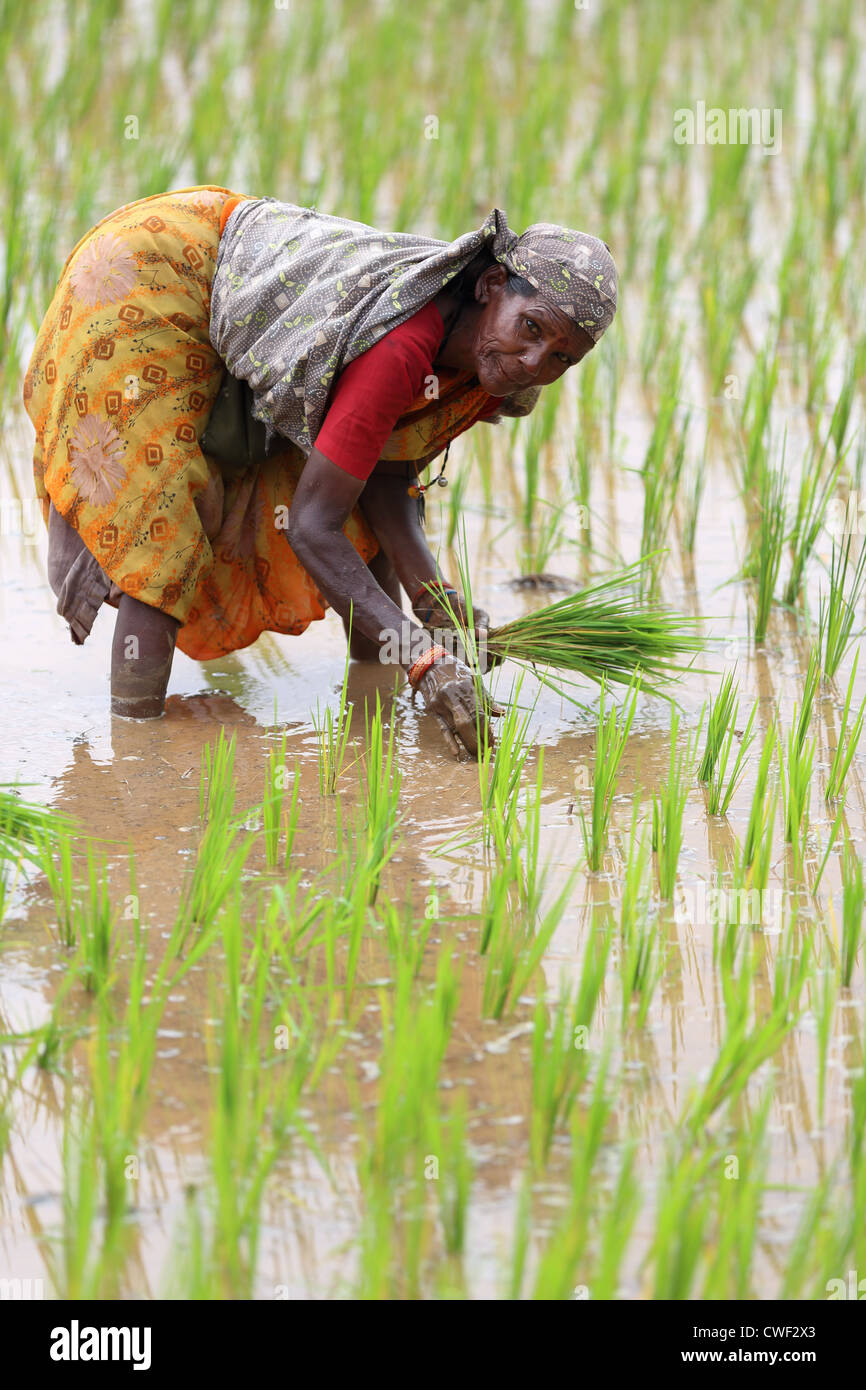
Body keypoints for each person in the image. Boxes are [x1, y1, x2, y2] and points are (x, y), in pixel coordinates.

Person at [23, 186, 617, 756]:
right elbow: (310, 526)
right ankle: (135, 754)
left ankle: (376, 695)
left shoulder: (479, 361)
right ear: (491, 285)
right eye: (531, 328)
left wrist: (437, 604)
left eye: (562, 357)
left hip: (222, 277)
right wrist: (425, 657)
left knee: (352, 504)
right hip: (153, 271)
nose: (535, 362)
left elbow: (387, 475)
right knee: (165, 529)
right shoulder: (404, 344)